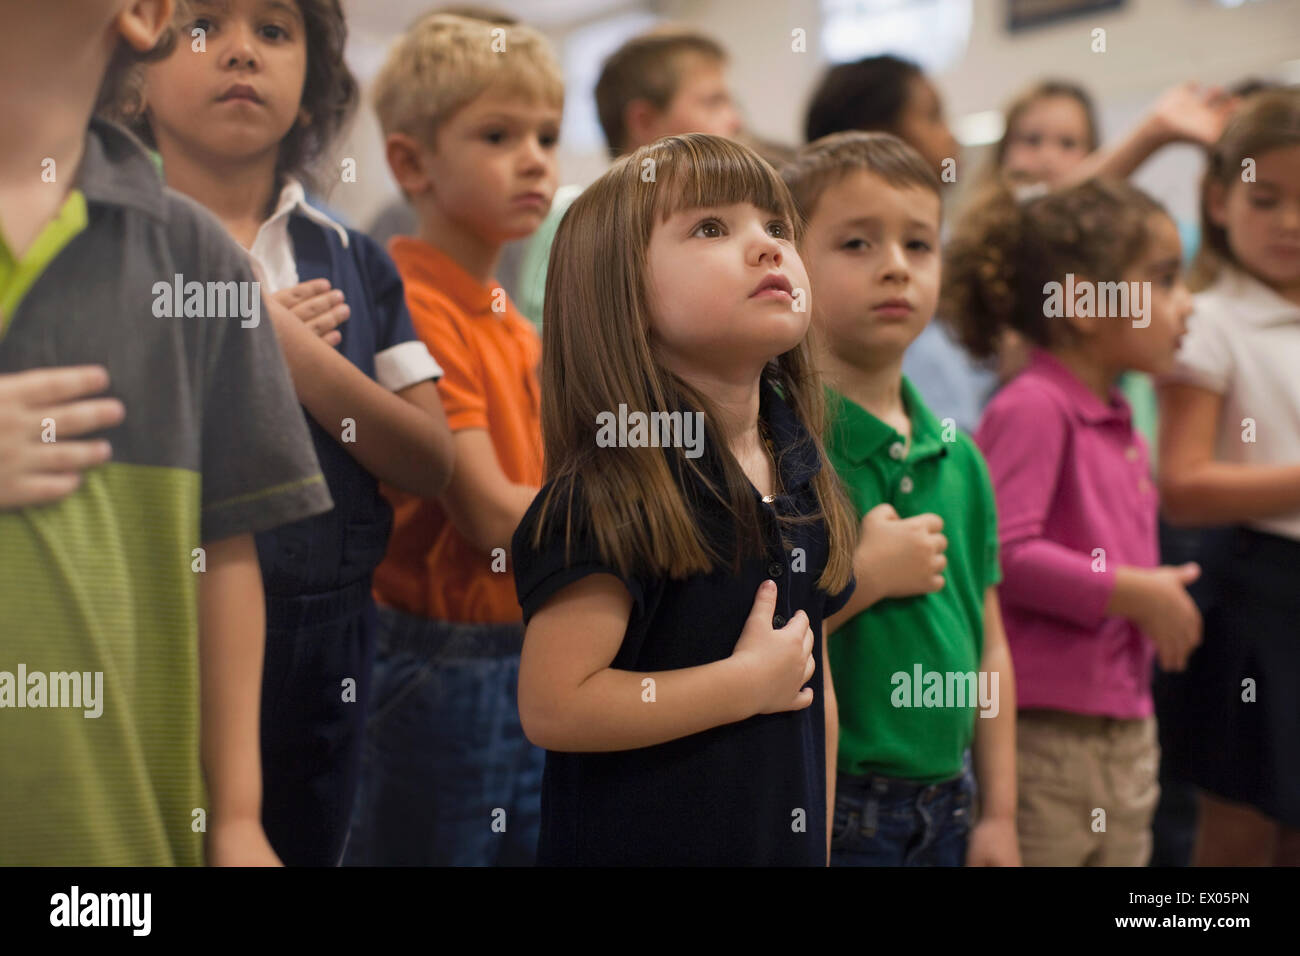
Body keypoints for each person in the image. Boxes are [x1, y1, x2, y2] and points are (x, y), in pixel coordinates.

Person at [0, 0, 333, 865]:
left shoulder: (196, 263)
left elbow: (223, 550)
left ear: (141, 12)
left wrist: (236, 817)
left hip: (117, 846)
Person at [132, 0, 456, 865]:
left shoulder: (353, 255)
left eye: (274, 31)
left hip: (325, 644)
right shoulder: (106, 241)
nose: (241, 51)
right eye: (204, 26)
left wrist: (281, 349)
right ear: (135, 68)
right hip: (143, 626)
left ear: (313, 86)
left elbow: (430, 460)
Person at [511, 133, 856, 865]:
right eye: (710, 228)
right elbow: (555, 704)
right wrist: (740, 686)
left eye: (776, 227)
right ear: (622, 295)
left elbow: (811, 682)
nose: (767, 248)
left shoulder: (801, 470)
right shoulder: (603, 496)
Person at [345, 12, 562, 866]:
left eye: (546, 134)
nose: (536, 156)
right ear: (410, 164)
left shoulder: (515, 322)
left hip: (524, 649)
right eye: (499, 134)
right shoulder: (410, 300)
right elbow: (489, 515)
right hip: (442, 660)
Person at [945, 175, 1199, 865]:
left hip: (1121, 727)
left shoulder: (1121, 425)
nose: (1187, 305)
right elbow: (1005, 553)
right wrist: (1136, 592)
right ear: (1085, 303)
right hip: (1048, 734)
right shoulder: (1033, 407)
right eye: (1165, 280)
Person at [784, 131, 1019, 866]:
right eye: (857, 244)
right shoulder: (784, 451)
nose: (895, 267)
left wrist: (998, 816)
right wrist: (868, 577)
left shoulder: (960, 454)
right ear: (793, 265)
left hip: (948, 800)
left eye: (919, 245)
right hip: (837, 803)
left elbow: (991, 644)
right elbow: (763, 635)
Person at [1157, 88, 1300, 867]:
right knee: (1241, 829)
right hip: (1254, 592)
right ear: (1217, 199)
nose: (1290, 222)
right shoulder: (1209, 320)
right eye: (1266, 198)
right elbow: (1182, 483)